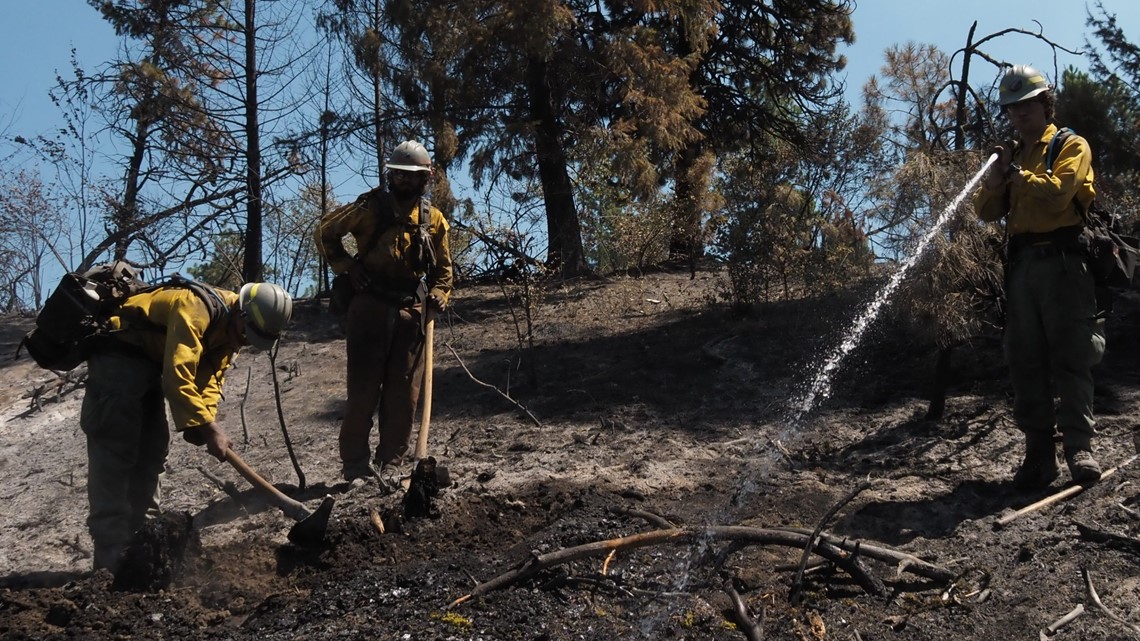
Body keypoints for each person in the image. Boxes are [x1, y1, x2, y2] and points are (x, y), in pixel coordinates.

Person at [82, 280, 293, 573]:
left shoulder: (231, 331)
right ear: (241, 315)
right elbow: (178, 376)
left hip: (149, 362)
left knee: (153, 449)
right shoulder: (194, 309)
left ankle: (143, 543)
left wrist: (205, 423)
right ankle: (109, 553)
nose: (243, 343)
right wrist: (209, 428)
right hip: (117, 354)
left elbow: (210, 380)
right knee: (116, 449)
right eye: (246, 335)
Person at [973, 64, 1104, 488]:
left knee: (1072, 354)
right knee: (1025, 360)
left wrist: (1015, 175)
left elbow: (1059, 194)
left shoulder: (1070, 144)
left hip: (1064, 265)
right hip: (1022, 269)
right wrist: (996, 178)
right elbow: (985, 212)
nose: (1018, 115)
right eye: (1011, 109)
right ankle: (1038, 457)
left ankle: (1079, 449)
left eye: (1026, 106)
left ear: (1045, 104)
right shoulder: (1012, 157)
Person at [315, 140, 453, 490]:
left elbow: (444, 270)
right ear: (390, 175)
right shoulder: (368, 207)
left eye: (413, 176)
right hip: (369, 309)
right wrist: (347, 268)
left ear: (427, 177)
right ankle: (356, 467)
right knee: (363, 392)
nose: (405, 182)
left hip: (411, 315)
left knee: (404, 395)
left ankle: (391, 463)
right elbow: (325, 233)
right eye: (399, 175)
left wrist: (439, 294)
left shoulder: (433, 220)